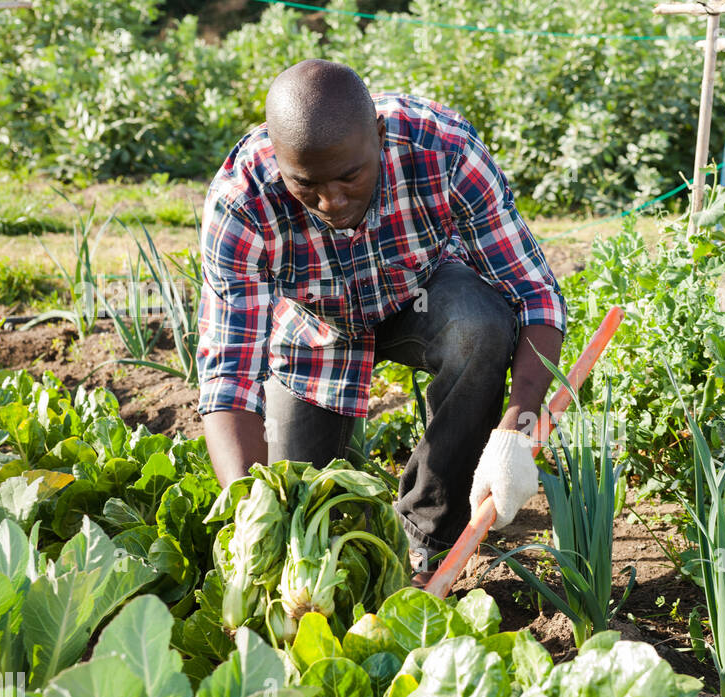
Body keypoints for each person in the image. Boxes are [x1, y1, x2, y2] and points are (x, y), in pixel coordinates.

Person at [196, 59, 568, 588]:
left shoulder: (444, 150)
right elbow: (229, 373)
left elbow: (535, 296)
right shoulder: (242, 201)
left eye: (350, 175)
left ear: (377, 135)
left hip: (425, 292)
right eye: (307, 184)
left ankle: (429, 540)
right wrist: (248, 511)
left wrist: (518, 428)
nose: (332, 201)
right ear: (278, 160)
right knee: (293, 495)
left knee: (478, 326)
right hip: (314, 331)